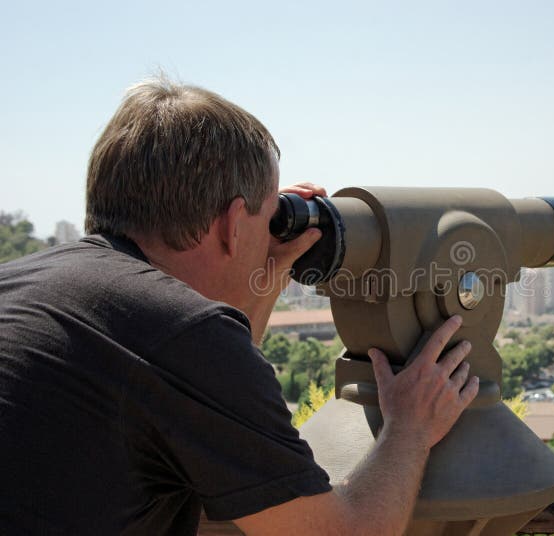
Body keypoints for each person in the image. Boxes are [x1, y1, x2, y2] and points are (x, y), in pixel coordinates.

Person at [0, 77, 479, 535]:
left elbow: (207, 407)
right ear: (233, 224)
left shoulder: (20, 284)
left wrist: (266, 275)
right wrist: (410, 429)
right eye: (269, 215)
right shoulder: (187, 335)